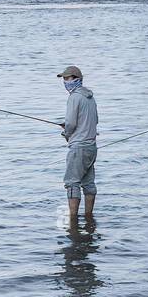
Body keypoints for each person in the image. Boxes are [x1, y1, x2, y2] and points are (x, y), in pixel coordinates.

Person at [57, 65, 98, 222]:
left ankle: (72, 220)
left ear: (77, 79)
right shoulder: (90, 97)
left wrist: (66, 132)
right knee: (88, 183)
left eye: (67, 78)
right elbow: (94, 121)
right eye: (64, 79)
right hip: (91, 147)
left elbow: (71, 124)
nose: (65, 82)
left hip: (78, 147)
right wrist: (69, 125)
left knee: (72, 183)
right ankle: (89, 217)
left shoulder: (74, 97)